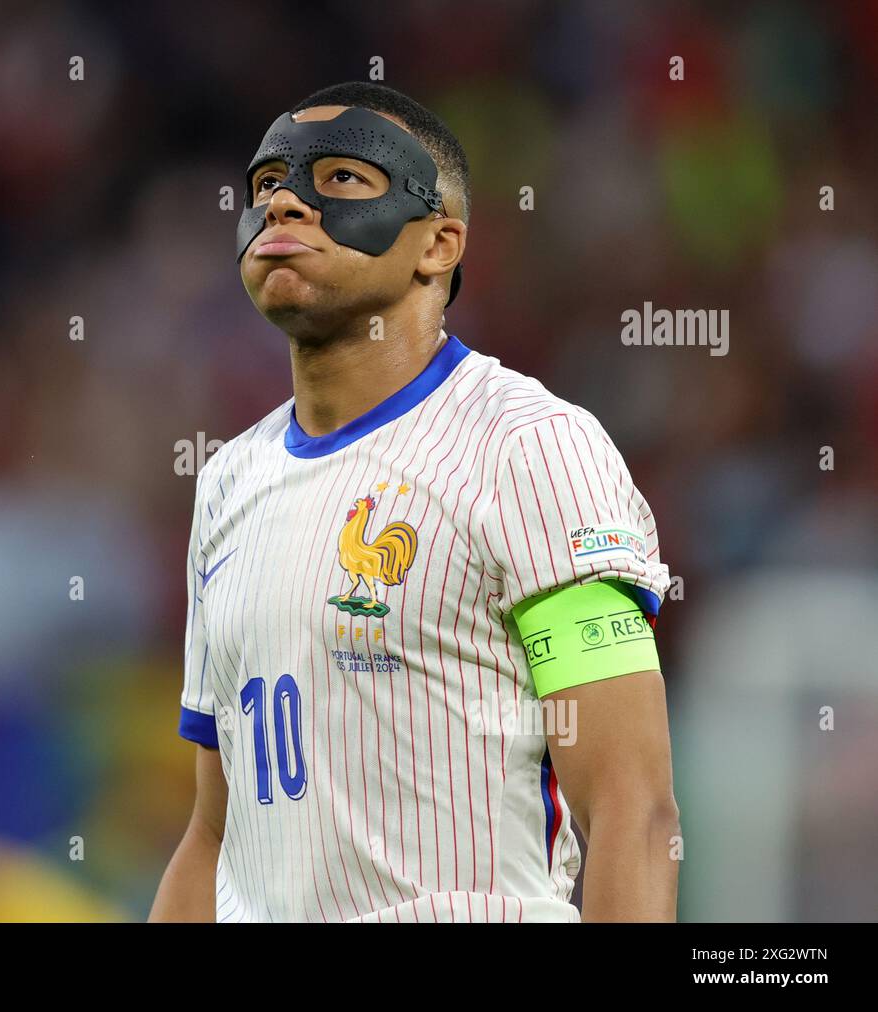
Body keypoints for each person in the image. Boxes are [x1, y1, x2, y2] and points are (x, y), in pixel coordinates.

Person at [150, 81, 679, 922]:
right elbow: (214, 835)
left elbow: (630, 807)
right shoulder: (227, 483)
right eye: (266, 185)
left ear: (438, 244)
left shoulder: (530, 446)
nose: (284, 199)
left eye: (343, 179)